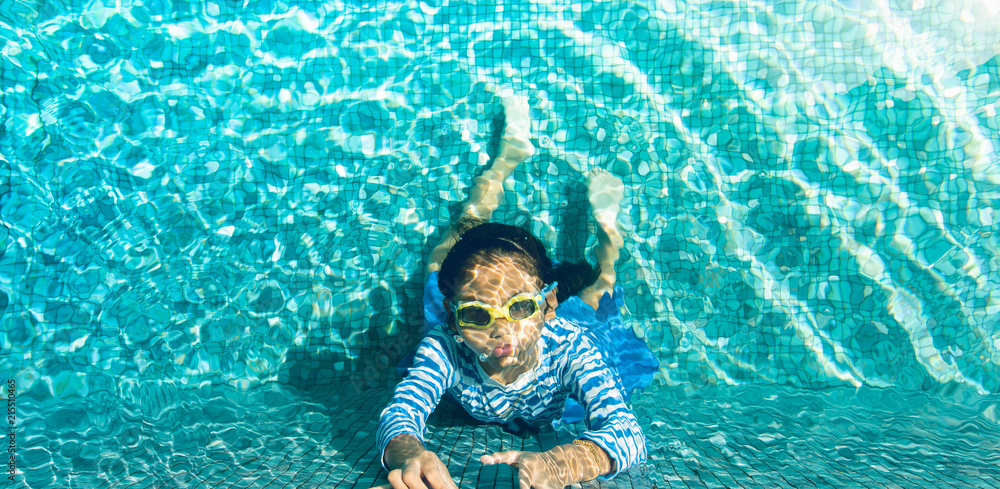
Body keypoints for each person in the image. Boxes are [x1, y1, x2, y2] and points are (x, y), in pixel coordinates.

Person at [371, 95, 657, 489]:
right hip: (482, 311)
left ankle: (607, 232)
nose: (502, 331)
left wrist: (566, 462)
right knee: (449, 253)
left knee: (600, 293)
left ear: (546, 305)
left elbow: (629, 434)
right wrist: (409, 454)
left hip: (551, 325)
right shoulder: (447, 347)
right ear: (455, 317)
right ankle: (505, 160)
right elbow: (401, 413)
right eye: (475, 315)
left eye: (520, 308)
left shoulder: (569, 348)